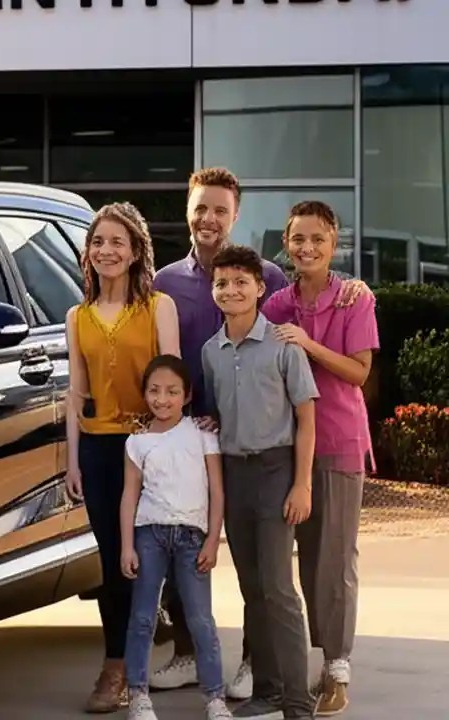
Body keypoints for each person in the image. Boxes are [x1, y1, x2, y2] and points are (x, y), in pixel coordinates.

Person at [150, 167, 370, 700]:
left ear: (236, 216)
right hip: (214, 441)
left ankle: (300, 666)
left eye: (220, 210)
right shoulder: (181, 284)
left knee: (301, 566)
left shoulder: (301, 288)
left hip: (301, 440)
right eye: (201, 208)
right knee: (221, 559)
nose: (209, 218)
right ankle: (217, 659)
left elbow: (349, 365)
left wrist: (352, 287)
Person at [263, 200, 380, 717]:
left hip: (337, 441)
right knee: (300, 560)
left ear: (335, 244)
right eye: (298, 239)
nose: (307, 247)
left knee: (334, 559)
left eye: (318, 239)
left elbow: (358, 372)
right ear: (286, 244)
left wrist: (308, 345)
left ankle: (337, 668)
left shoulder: (355, 299)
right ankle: (284, 664)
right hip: (283, 446)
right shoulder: (276, 303)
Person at [63, 202, 180, 713]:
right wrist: (72, 461)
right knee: (112, 561)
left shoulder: (158, 307)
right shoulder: (78, 316)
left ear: (135, 252)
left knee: (146, 559)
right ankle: (117, 668)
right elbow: (75, 393)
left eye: (117, 242)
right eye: (98, 242)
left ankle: (139, 659)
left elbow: (172, 381)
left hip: (148, 446)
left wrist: (163, 441)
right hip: (98, 449)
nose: (106, 250)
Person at [201, 244, 318, 720]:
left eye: (240, 282)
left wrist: (302, 484)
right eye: (221, 283)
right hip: (234, 475)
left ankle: (297, 702)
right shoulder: (211, 352)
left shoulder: (284, 345)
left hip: (276, 472)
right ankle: (267, 690)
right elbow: (219, 413)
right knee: (252, 588)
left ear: (260, 288)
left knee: (278, 589)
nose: (230, 290)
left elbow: (306, 419)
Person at [120, 354, 233, 720]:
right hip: (149, 534)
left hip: (192, 538)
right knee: (142, 617)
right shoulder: (137, 443)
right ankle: (138, 695)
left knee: (201, 619)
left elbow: (217, 490)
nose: (162, 399)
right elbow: (129, 496)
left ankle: (215, 698)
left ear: (187, 395)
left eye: (172, 391)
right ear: (144, 393)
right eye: (154, 390)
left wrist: (213, 539)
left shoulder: (202, 434)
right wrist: (127, 546)